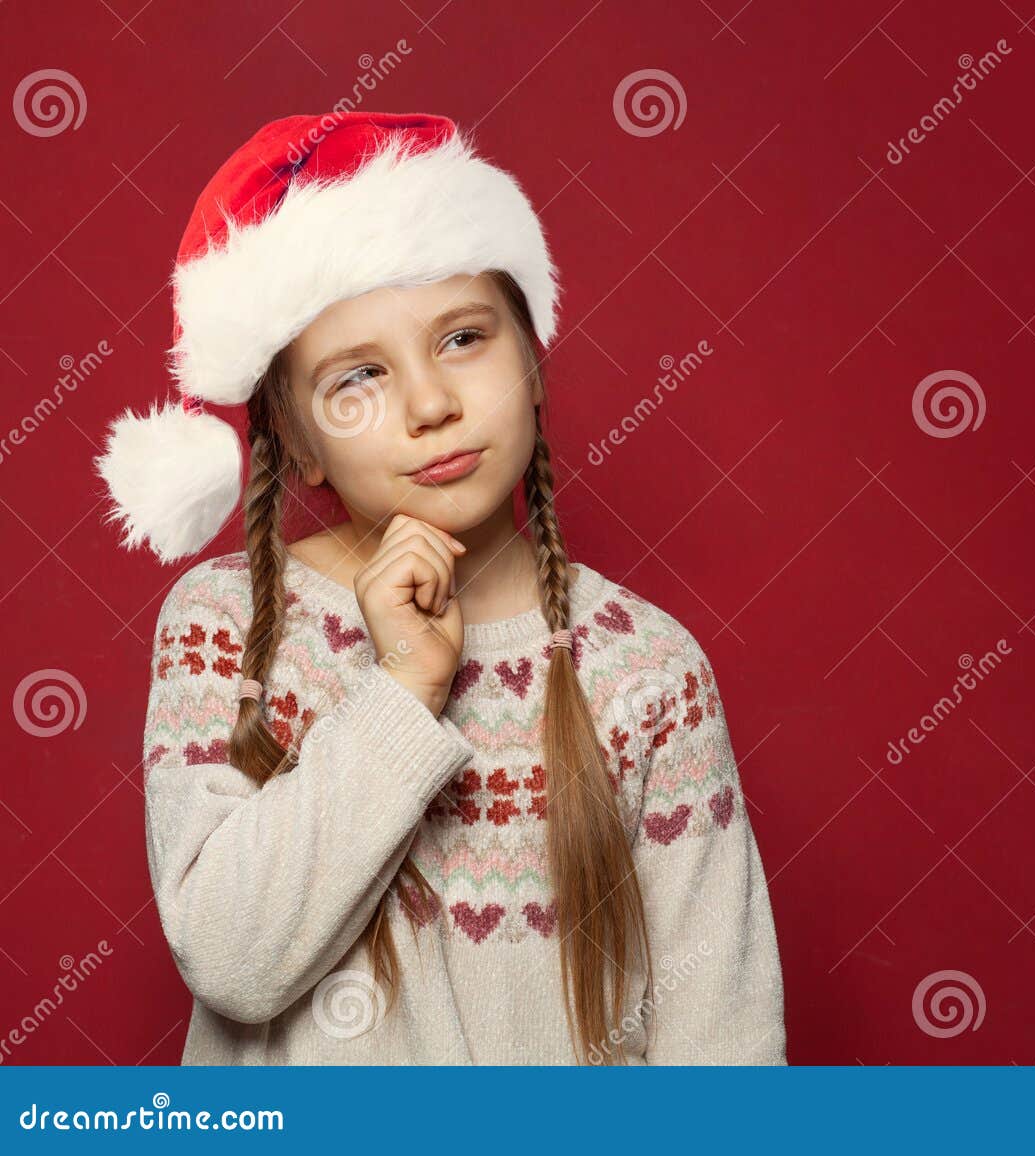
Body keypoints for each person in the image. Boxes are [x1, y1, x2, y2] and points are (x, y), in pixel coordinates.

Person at [93, 112, 786, 1065]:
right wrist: (402, 691)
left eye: (463, 339)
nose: (430, 405)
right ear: (297, 440)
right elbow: (229, 958)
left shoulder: (645, 671)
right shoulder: (232, 627)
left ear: (534, 363)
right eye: (359, 379)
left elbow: (724, 1044)